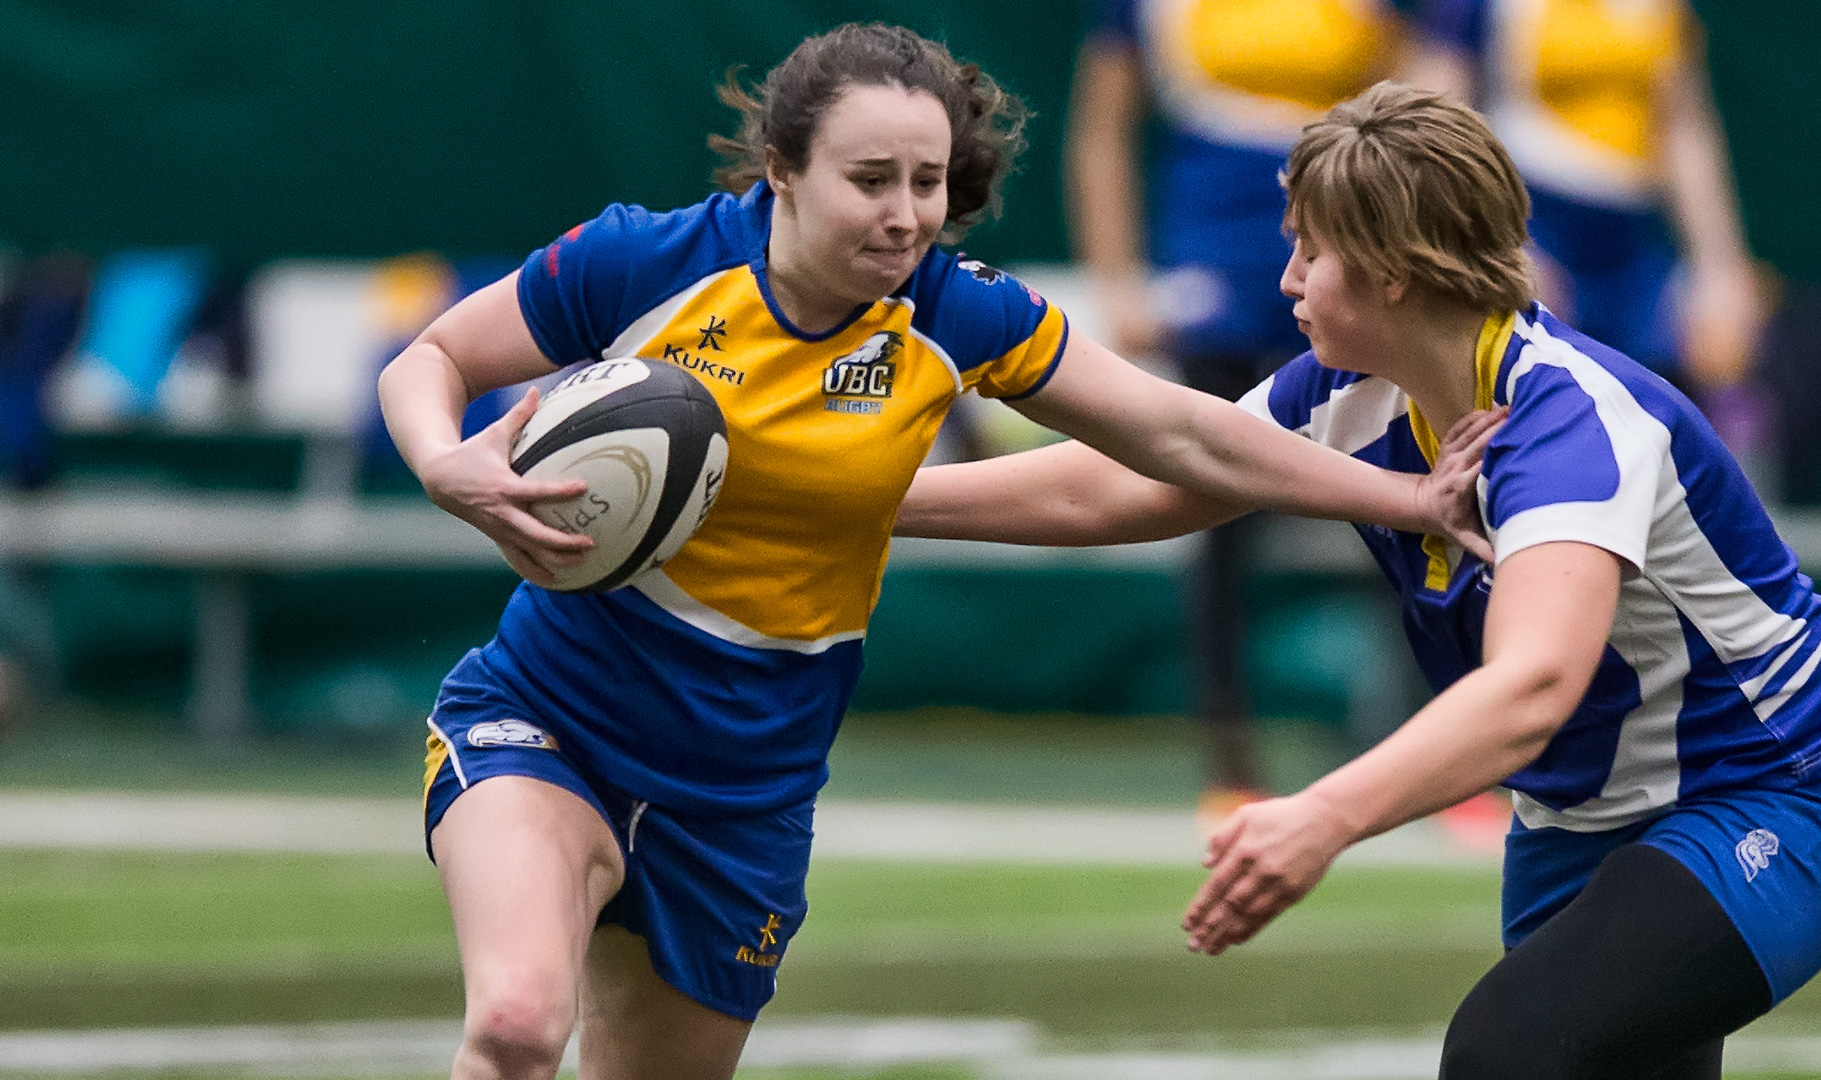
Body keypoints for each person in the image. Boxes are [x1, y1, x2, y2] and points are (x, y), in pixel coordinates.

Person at [377, 26, 1489, 1080]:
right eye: (872, 180)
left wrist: (1407, 497)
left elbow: (1184, 434)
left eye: (930, 182)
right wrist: (441, 460)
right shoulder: (645, 262)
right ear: (782, 169)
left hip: (746, 787)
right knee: (520, 1025)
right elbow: (432, 356)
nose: (908, 215)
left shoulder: (957, 315)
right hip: (557, 716)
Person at [896, 82, 1821, 1079]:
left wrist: (1324, 815)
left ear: (1392, 270)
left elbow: (1533, 686)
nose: (1284, 277)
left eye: (1309, 249)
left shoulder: (1570, 425)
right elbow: (1137, 485)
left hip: (1775, 795)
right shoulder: (1349, 390)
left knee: (1508, 1052)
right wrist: (864, 502)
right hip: (1579, 823)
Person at [1066, 0, 1422, 806]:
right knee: (1214, 507)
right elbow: (1102, 128)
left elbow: (1415, 105)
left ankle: (1415, 740)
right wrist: (1117, 277)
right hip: (1212, 268)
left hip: (1347, 253)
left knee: (1396, 487)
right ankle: (1229, 760)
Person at [1404, 0, 1765, 397]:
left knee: (1654, 406)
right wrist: (1499, 245)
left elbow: (1684, 129)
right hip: (1535, 227)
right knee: (1539, 401)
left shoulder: (1663, 8)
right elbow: (1429, 127)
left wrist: (1718, 266)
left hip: (1633, 244)